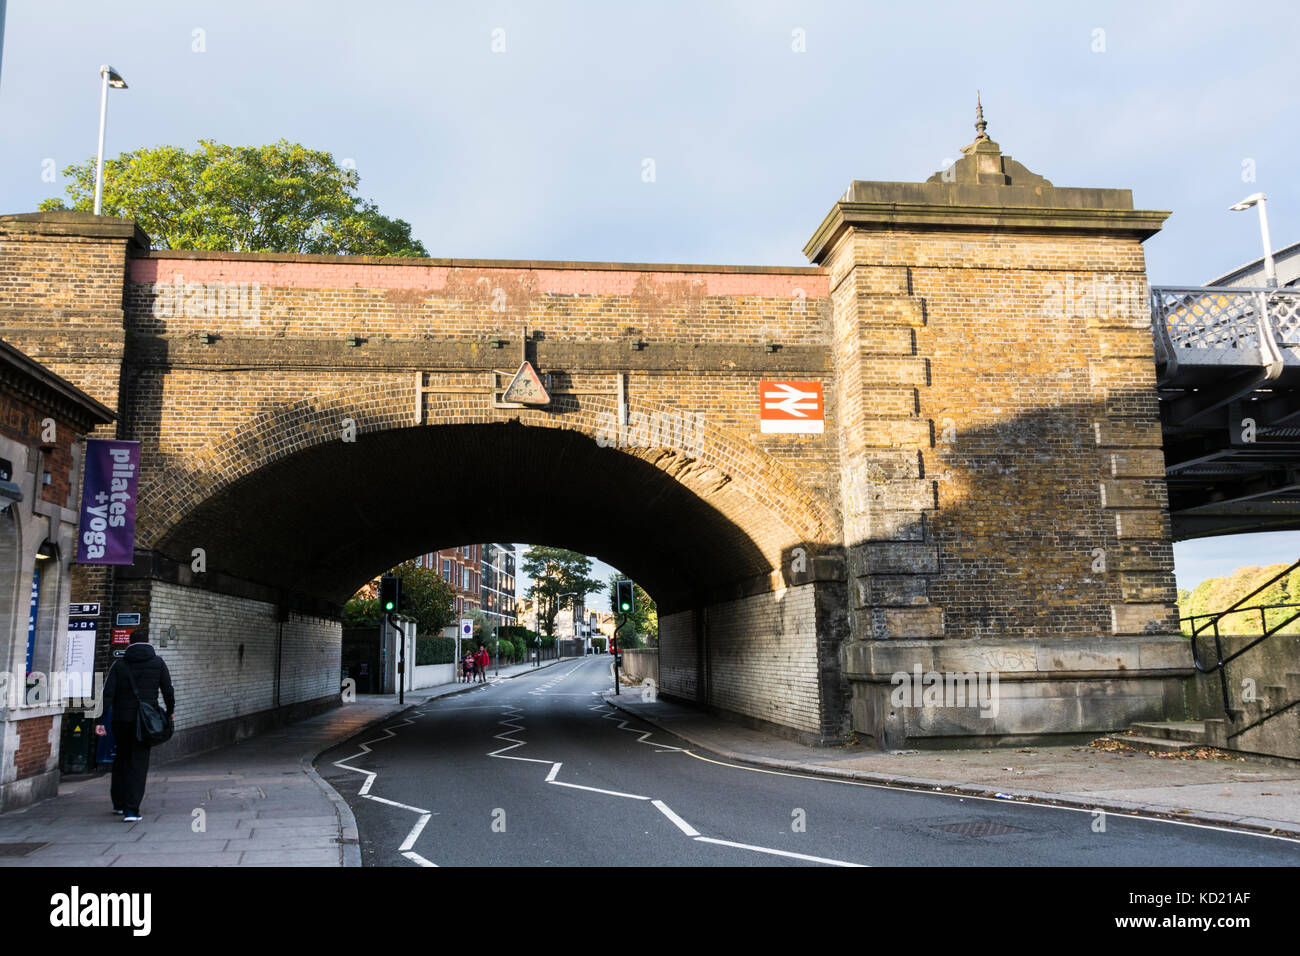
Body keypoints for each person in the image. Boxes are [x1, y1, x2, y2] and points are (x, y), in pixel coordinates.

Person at [94, 627, 174, 822]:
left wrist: (99, 720)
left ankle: (119, 804)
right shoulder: (158, 663)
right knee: (138, 763)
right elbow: (168, 690)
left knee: (121, 758)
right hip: (145, 722)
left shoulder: (119, 665)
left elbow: (106, 694)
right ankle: (132, 810)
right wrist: (170, 712)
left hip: (121, 720)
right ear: (148, 642)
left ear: (129, 643)